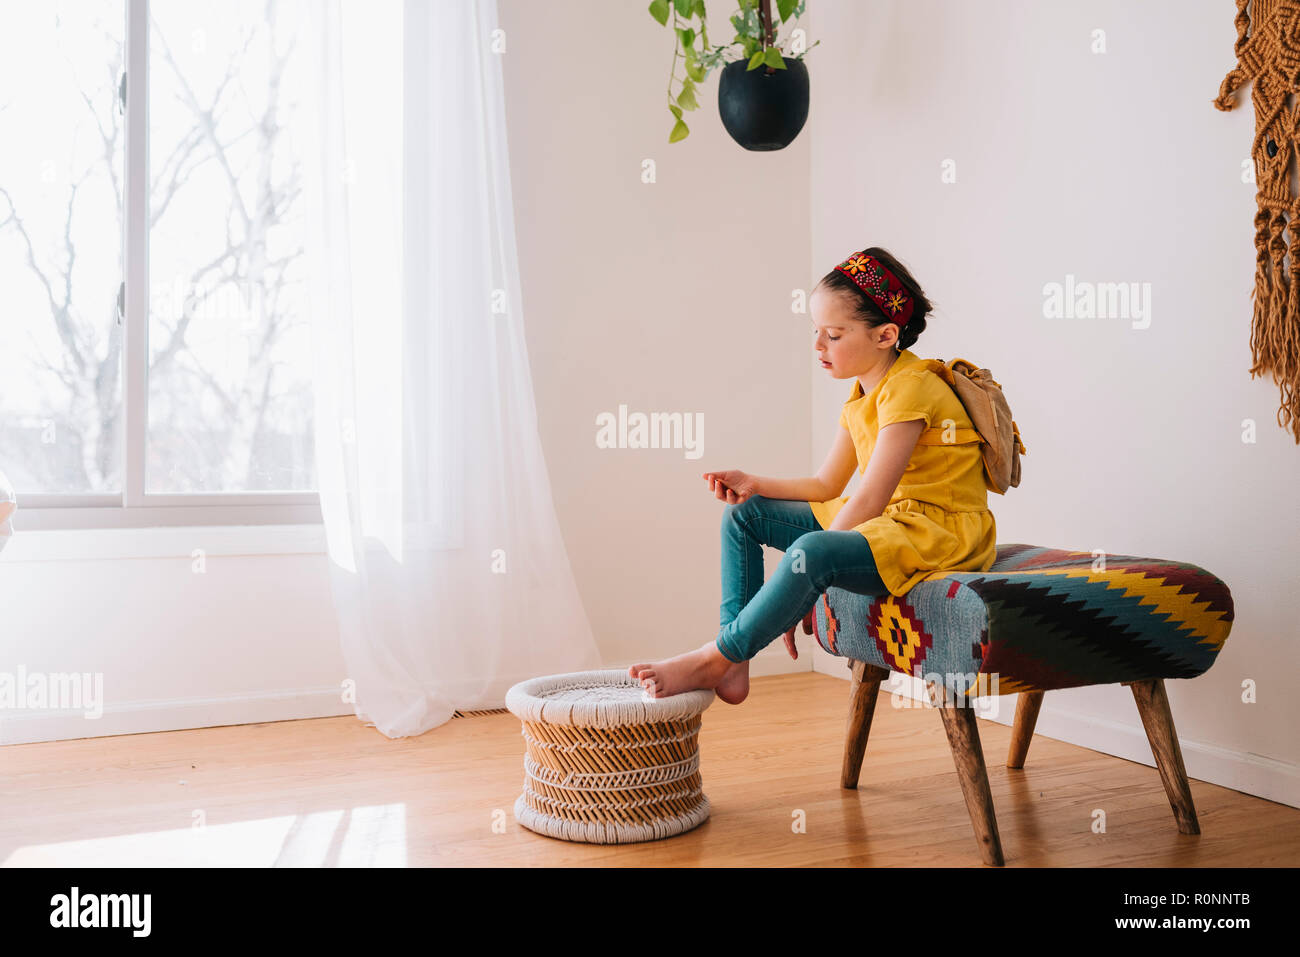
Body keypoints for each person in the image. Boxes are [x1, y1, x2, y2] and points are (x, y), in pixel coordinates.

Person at [629, 247, 997, 704]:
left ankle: (715, 657)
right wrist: (754, 482)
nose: (818, 346)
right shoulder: (864, 391)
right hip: (894, 524)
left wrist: (801, 590)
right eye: (816, 332)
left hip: (935, 531)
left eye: (834, 335)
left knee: (812, 551)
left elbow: (868, 501)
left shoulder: (911, 387)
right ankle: (735, 658)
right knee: (745, 515)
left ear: (885, 335)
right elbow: (828, 486)